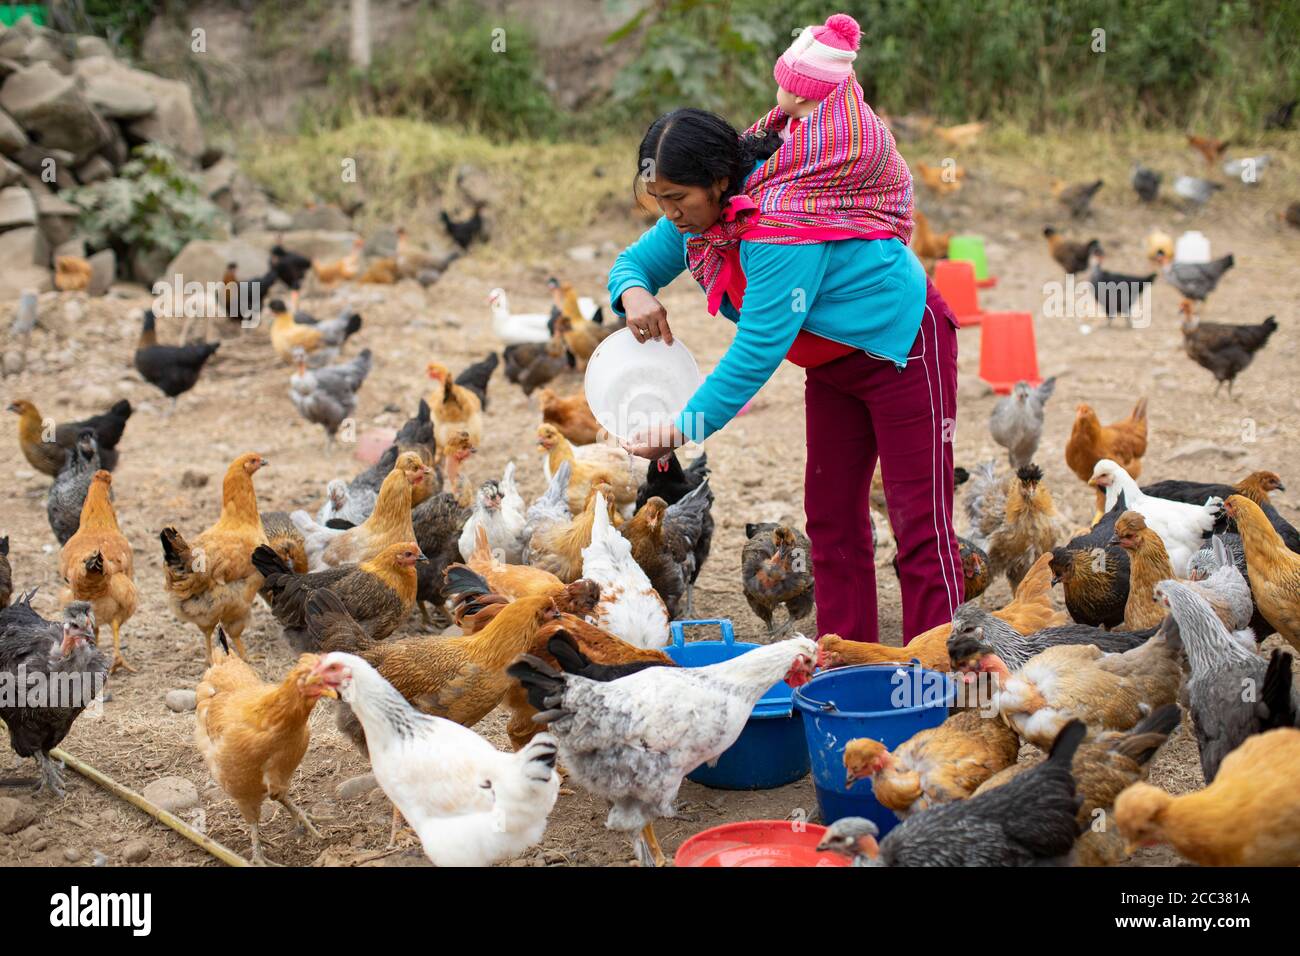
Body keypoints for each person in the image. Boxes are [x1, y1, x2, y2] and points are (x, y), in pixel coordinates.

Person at [606, 16, 964, 645]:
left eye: (678, 199)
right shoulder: (702, 215)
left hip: (903, 348)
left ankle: (943, 677)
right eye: (660, 200)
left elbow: (759, 348)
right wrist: (633, 295)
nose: (672, 215)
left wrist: (683, 427)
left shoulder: (778, 226)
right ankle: (848, 659)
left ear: (719, 181)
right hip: (833, 365)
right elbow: (633, 263)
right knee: (828, 519)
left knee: (918, 524)